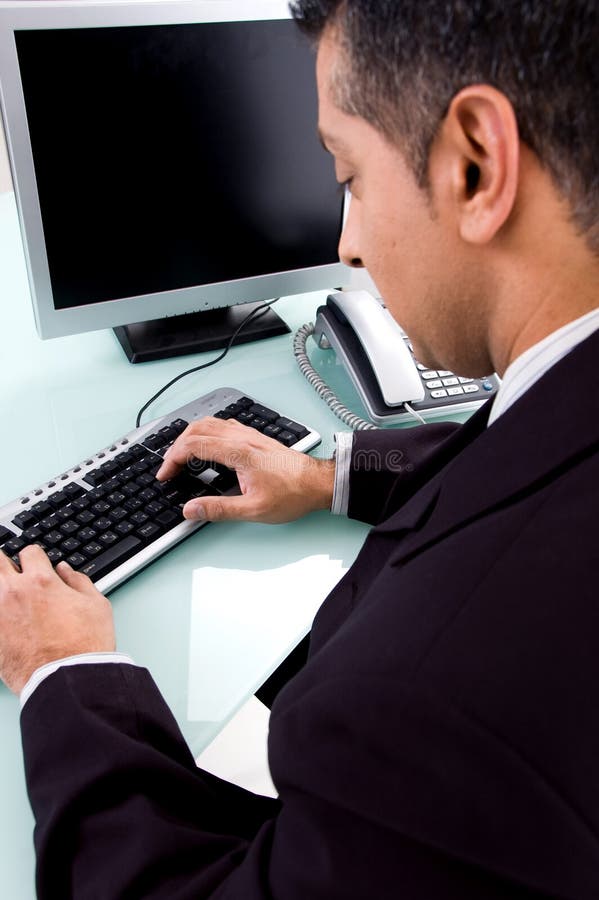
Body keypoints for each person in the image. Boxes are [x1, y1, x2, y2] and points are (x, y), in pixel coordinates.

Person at [1, 0, 598, 896]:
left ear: (476, 163)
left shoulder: (417, 707)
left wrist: (64, 673)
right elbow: (523, 447)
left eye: (348, 176)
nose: (346, 245)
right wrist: (326, 476)